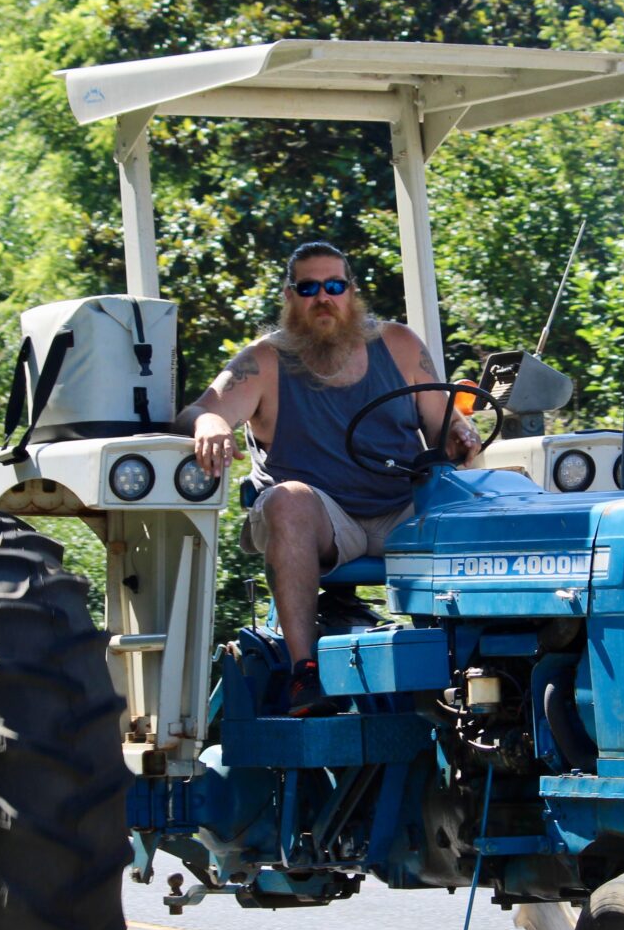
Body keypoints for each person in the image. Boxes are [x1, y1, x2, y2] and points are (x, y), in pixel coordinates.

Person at [175, 240, 479, 715]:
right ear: (290, 296)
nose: (323, 298)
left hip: (402, 509)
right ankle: (305, 672)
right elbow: (198, 410)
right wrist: (211, 424)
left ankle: (480, 668)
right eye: (309, 288)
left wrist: (460, 433)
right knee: (286, 499)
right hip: (324, 519)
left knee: (490, 502)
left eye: (334, 286)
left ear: (351, 292)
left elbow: (444, 429)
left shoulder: (398, 345)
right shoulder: (265, 361)